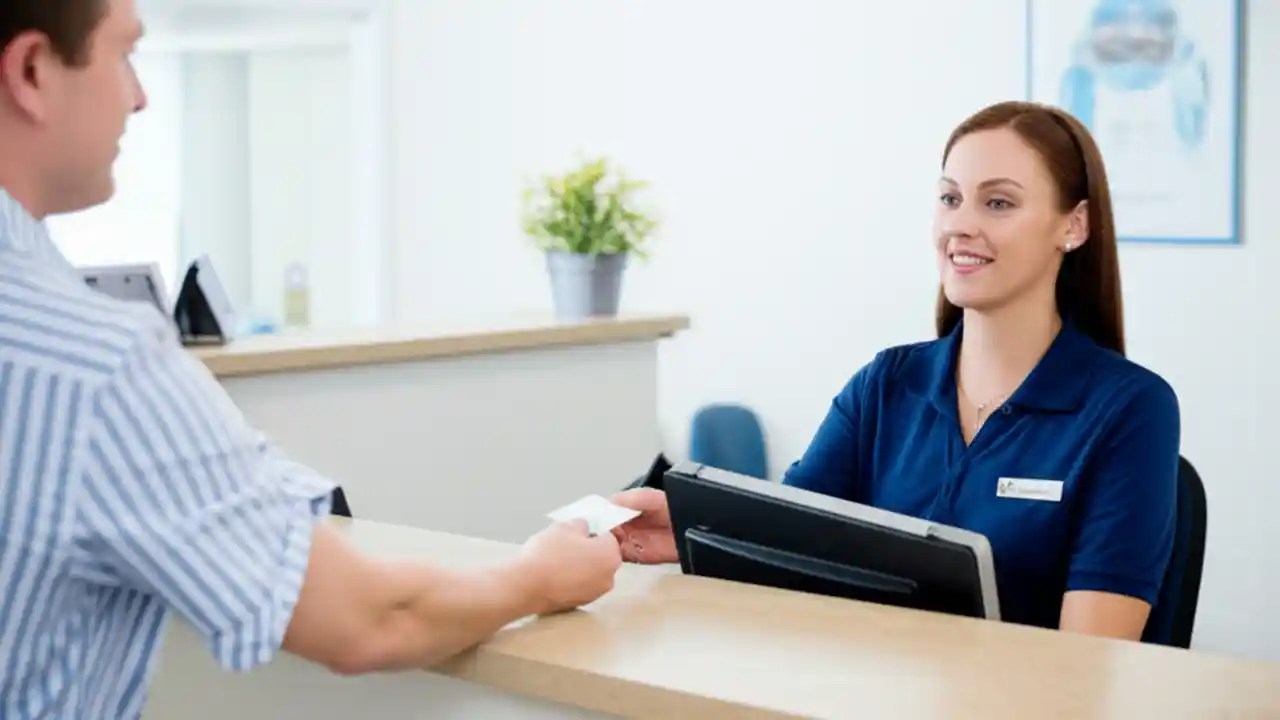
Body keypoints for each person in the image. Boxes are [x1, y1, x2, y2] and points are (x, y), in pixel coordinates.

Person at [0, 1, 621, 717]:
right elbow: (370, 621)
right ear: (31, 72)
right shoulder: (96, 366)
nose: (139, 96)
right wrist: (539, 575)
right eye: (124, 55)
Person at [613, 100, 1181, 642]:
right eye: (950, 198)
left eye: (999, 203)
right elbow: (784, 545)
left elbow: (1093, 655)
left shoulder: (1131, 409)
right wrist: (689, 524)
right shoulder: (885, 386)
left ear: (1073, 226)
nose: (961, 225)